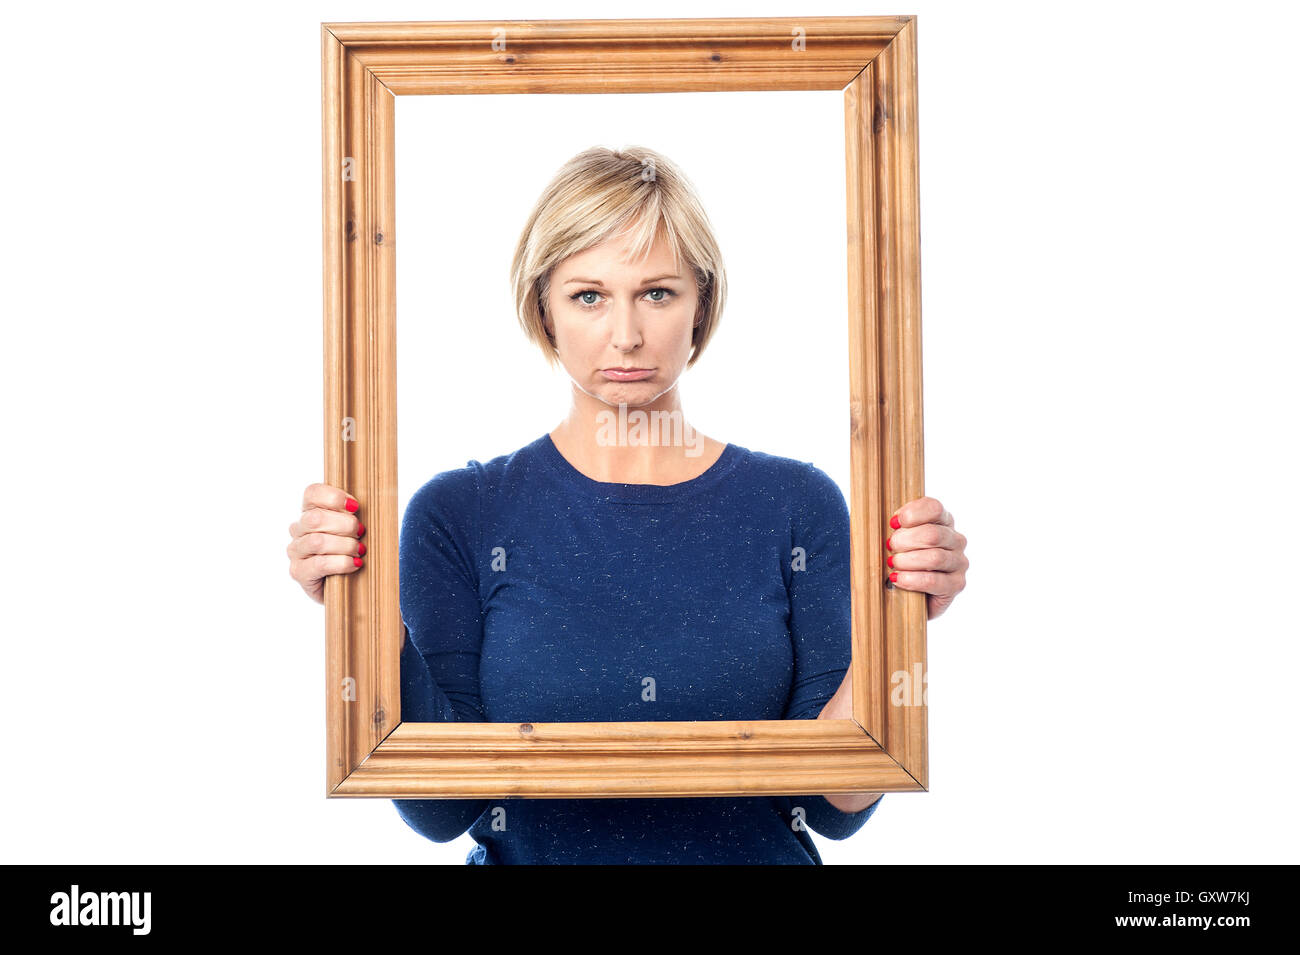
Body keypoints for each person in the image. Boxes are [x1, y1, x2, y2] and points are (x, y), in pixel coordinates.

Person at [287, 146, 969, 863]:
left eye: (657, 293)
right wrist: (357, 606)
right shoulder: (460, 513)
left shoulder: (796, 504)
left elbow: (836, 802)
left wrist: (904, 617)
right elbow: (440, 806)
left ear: (701, 301)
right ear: (543, 307)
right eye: (589, 295)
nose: (626, 335)